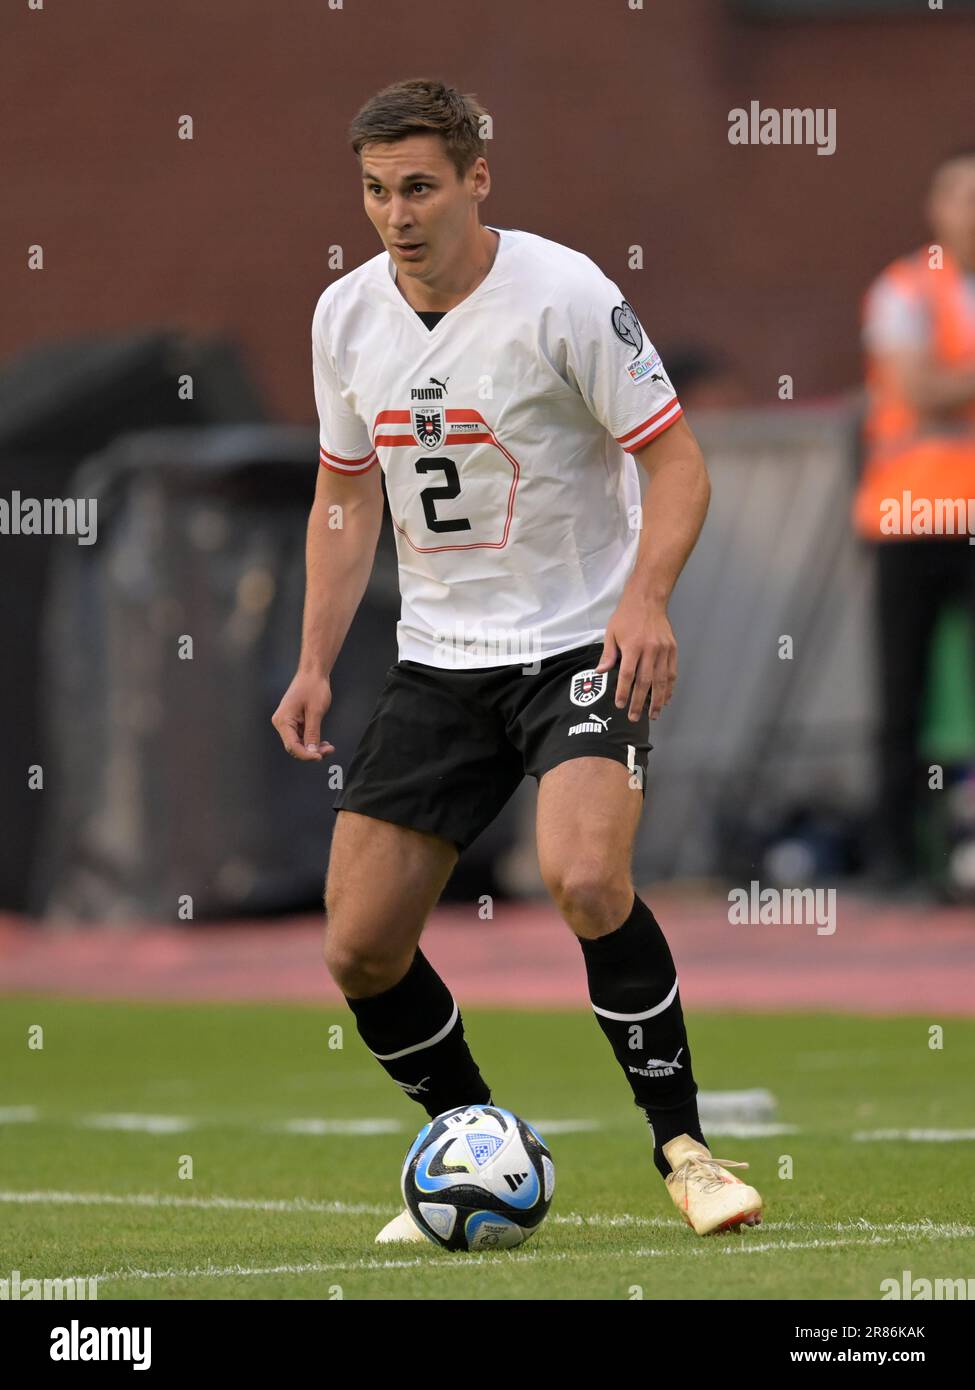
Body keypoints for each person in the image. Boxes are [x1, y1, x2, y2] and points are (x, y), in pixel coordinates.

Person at [272, 78, 763, 1240]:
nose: (397, 214)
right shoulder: (344, 315)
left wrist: (647, 601)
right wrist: (312, 661)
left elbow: (679, 464)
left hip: (581, 640)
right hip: (441, 660)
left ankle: (686, 1148)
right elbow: (345, 498)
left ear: (477, 179)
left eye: (421, 187)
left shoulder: (566, 294)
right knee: (359, 944)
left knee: (586, 876)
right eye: (377, 190)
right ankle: (473, 1141)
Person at [853, 148, 975, 886]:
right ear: (934, 206)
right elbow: (917, 387)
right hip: (908, 517)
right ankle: (894, 857)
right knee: (901, 696)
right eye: (959, 194)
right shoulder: (901, 290)